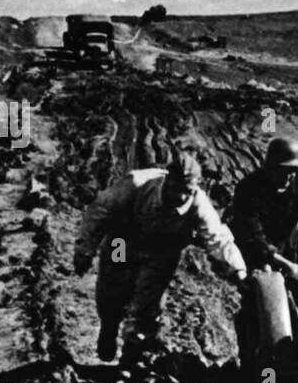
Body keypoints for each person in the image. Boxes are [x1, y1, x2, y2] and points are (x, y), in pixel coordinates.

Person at [73, 152, 247, 366]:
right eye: (176, 189)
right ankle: (109, 327)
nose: (182, 196)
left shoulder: (198, 203)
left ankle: (130, 358)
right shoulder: (137, 184)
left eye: (188, 191)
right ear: (167, 180)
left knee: (146, 307)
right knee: (112, 292)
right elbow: (100, 210)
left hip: (161, 251)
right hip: (123, 241)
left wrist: (239, 270)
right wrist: (85, 249)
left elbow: (217, 238)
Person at [229, 138, 298, 273]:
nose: (288, 177)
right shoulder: (248, 189)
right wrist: (282, 262)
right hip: (252, 247)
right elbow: (252, 234)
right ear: (270, 168)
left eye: (293, 171)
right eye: (282, 171)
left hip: (285, 242)